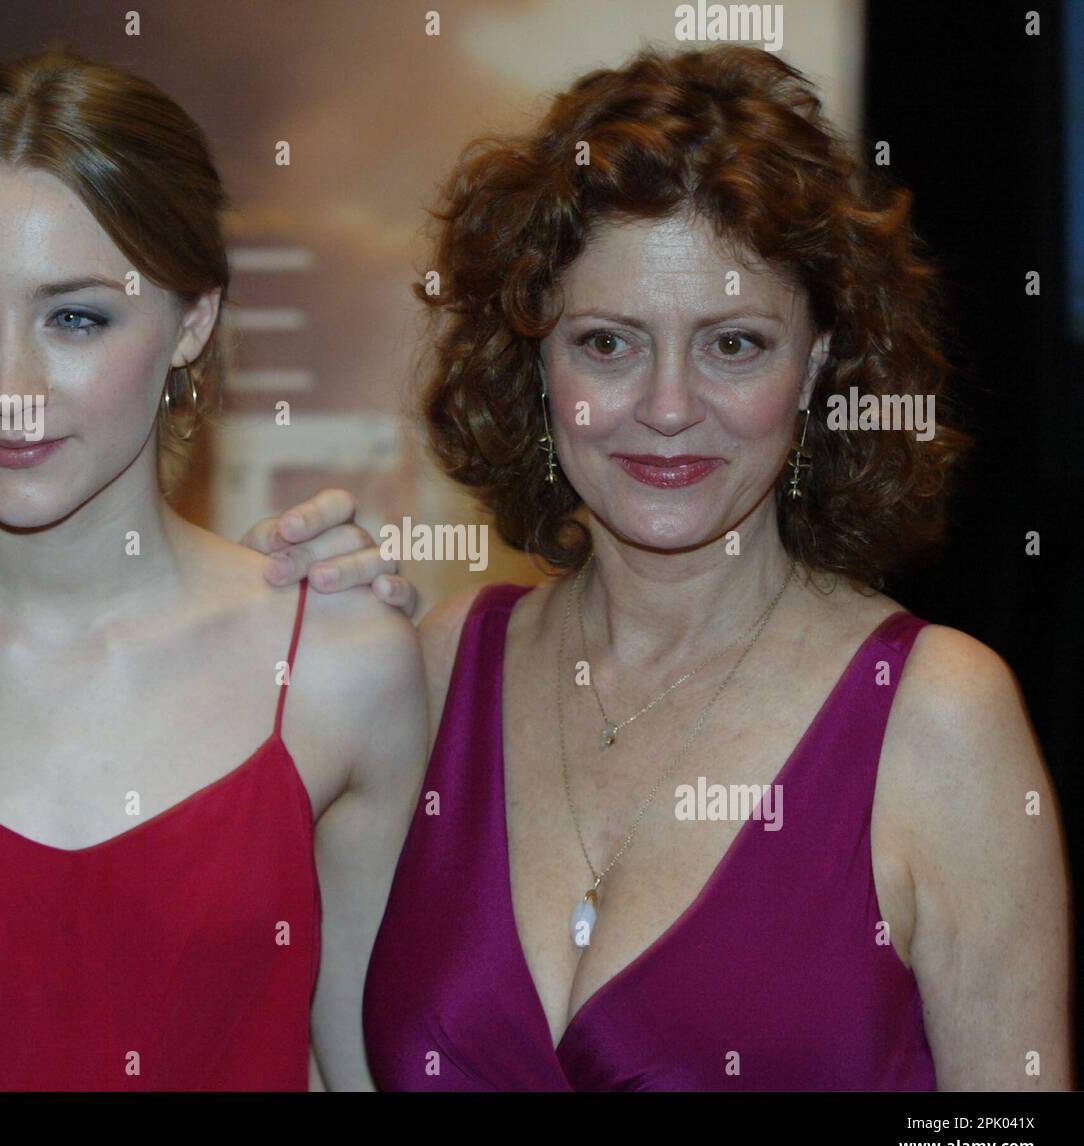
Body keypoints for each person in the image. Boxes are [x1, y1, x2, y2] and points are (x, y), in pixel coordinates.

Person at [242, 45, 1071, 1089]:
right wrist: (276, 645)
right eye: (607, 343)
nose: (667, 407)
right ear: (535, 358)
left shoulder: (936, 714)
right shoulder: (445, 661)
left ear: (816, 361)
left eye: (731, 345)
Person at [0, 49, 426, 1092]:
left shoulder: (343, 667)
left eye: (74, 316)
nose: (5, 386)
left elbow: (364, 1070)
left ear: (194, 322)